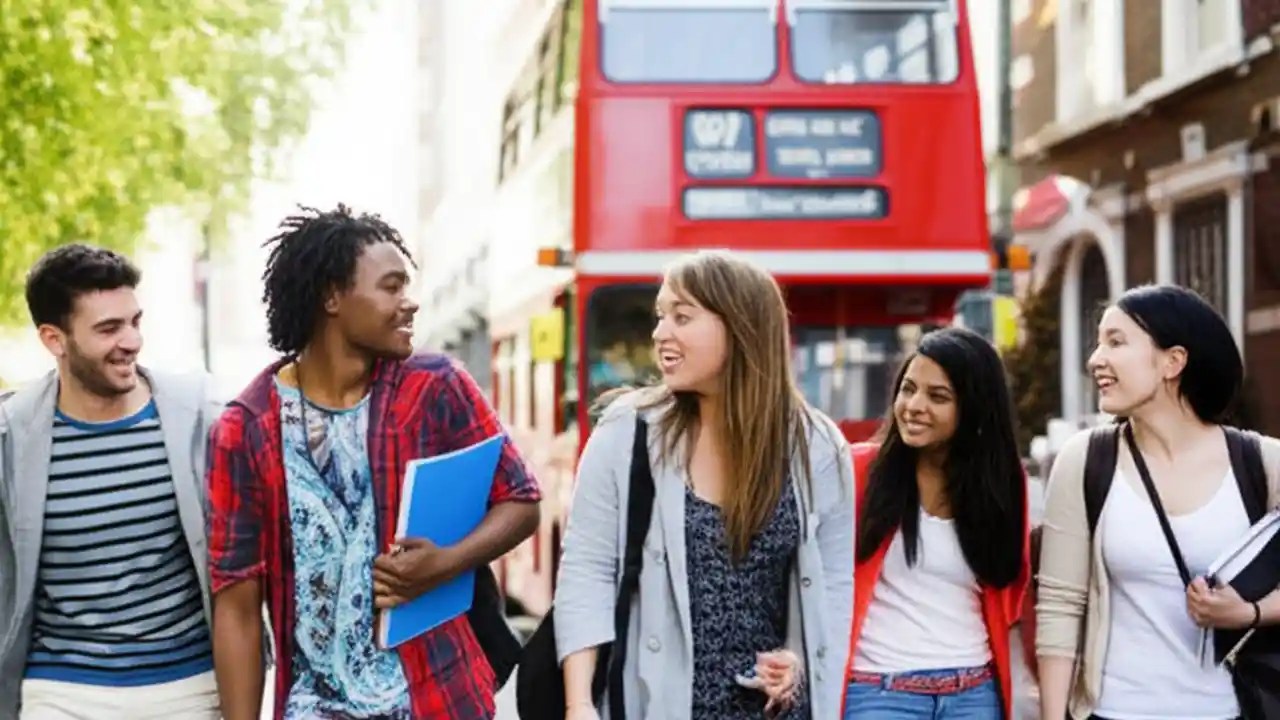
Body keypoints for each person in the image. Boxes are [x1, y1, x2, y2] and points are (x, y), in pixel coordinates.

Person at [205, 205, 541, 720]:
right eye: (391, 287)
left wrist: (446, 563)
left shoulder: (435, 387)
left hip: (440, 698)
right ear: (332, 296)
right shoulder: (246, 428)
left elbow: (521, 501)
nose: (409, 304)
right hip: (313, 708)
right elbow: (238, 607)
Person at [553, 250, 855, 720]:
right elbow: (586, 572)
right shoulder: (626, 432)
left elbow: (831, 587)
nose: (660, 333)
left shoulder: (817, 447)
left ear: (739, 328)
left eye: (682, 316)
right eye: (660, 316)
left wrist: (796, 661)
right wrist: (579, 704)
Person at [1037, 285, 1280, 720]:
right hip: (1114, 711)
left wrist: (1250, 612)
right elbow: (1060, 605)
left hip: (1230, 711)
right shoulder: (1086, 460)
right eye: (1098, 342)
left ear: (1174, 361)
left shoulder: (1263, 463)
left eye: (1116, 341)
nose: (1095, 359)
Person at [0, 245, 223, 719]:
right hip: (61, 690)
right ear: (54, 339)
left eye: (134, 321)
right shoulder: (11, 438)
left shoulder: (197, 417)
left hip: (187, 683)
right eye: (108, 328)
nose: (132, 341)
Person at [841, 327, 1030, 719]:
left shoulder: (1004, 484)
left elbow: (1010, 592)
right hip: (880, 692)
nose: (913, 405)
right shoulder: (858, 471)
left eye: (937, 396)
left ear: (974, 409)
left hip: (974, 694)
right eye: (908, 389)